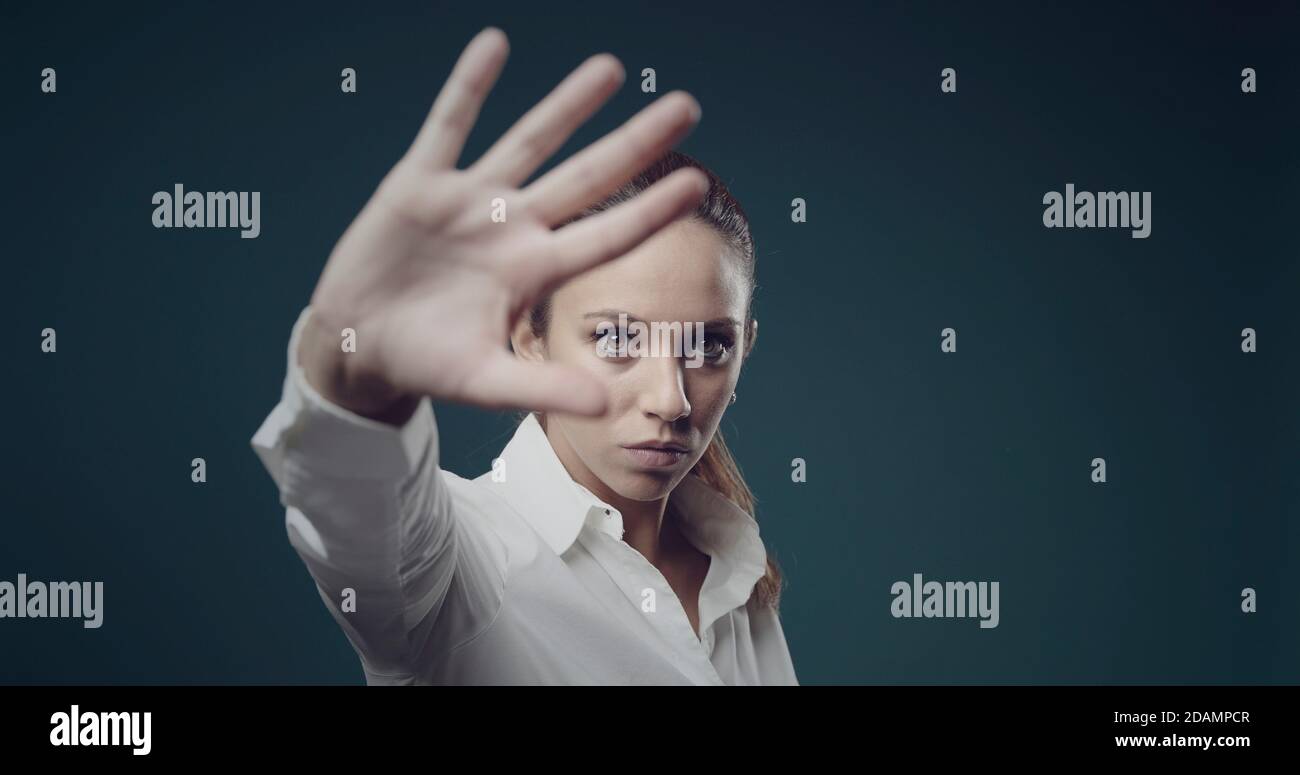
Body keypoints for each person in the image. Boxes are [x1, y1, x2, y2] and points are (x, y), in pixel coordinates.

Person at [251, 27, 798, 685]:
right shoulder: (463, 570)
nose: (671, 400)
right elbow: (365, 525)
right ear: (528, 334)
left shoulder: (741, 578)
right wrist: (352, 366)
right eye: (616, 337)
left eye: (709, 344)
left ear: (747, 347)